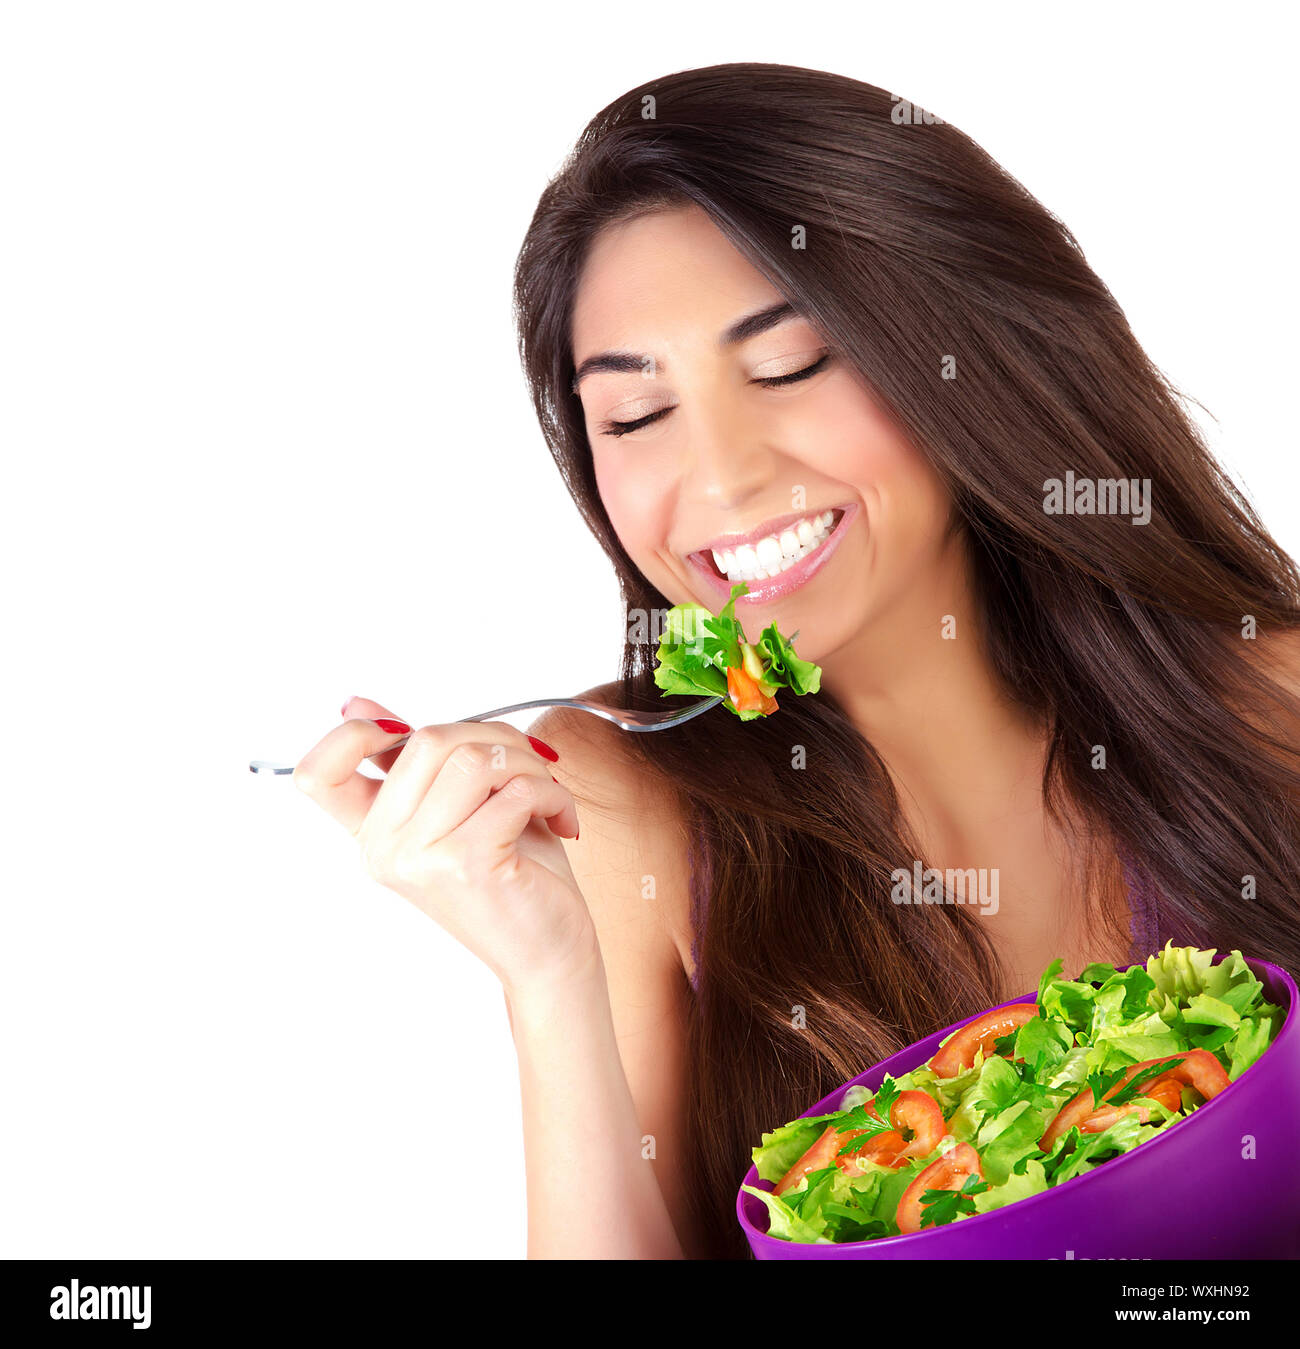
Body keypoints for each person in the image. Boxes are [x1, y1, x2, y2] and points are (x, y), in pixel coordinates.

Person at [292, 64, 1300, 1259]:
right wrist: (544, 972)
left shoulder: (1271, 694)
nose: (720, 480)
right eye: (633, 416)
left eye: (791, 365)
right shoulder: (614, 801)